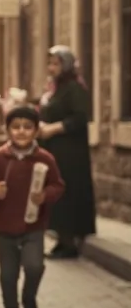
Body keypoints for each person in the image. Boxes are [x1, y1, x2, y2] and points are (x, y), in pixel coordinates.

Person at [0, 106, 65, 308]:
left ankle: (29, 298)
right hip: (5, 226)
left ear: (36, 131)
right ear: (7, 130)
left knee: (34, 266)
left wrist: (45, 195)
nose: (21, 132)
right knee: (8, 275)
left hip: (33, 225)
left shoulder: (45, 159)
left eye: (28, 127)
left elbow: (58, 185)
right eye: (16, 127)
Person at [38, 45, 96, 259]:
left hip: (70, 153)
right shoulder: (54, 88)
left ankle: (69, 242)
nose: (51, 68)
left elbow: (80, 118)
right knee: (58, 193)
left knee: (69, 193)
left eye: (56, 64)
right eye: (50, 63)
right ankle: (62, 240)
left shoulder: (74, 88)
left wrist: (53, 128)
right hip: (55, 150)